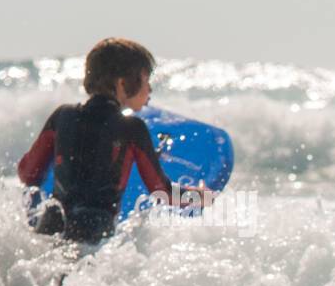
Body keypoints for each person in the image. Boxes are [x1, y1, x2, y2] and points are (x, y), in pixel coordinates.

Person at [16, 37, 209, 245]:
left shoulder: (62, 116)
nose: (149, 90)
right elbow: (163, 192)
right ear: (122, 83)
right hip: (93, 232)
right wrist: (204, 197)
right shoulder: (131, 128)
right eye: (145, 80)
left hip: (50, 226)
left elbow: (28, 173)